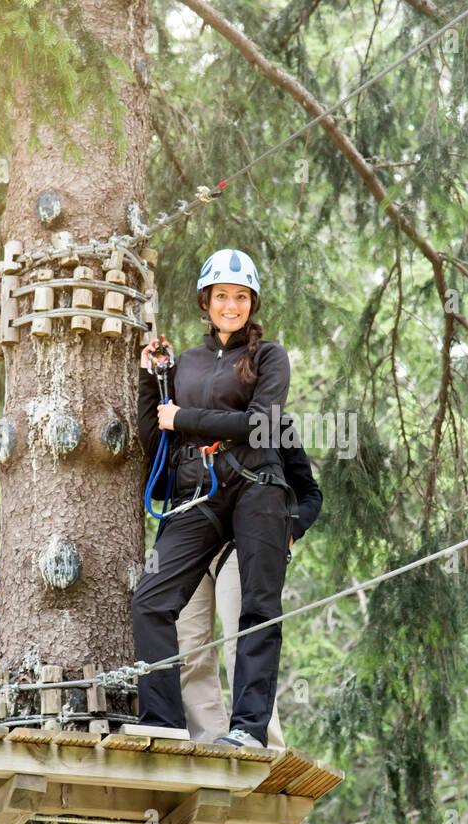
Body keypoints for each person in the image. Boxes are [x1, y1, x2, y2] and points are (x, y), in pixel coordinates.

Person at [132, 248, 294, 749]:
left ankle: (247, 730)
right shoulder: (186, 363)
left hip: (257, 487)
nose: (231, 305)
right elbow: (154, 438)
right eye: (222, 295)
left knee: (257, 609)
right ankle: (163, 723)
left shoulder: (268, 357)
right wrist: (149, 380)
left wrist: (185, 418)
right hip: (199, 491)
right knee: (150, 600)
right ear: (206, 301)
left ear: (252, 303)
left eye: (241, 297)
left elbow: (260, 423)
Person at [177, 415, 322, 748]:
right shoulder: (192, 419)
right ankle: (207, 743)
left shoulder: (273, 425)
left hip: (246, 547)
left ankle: (263, 744)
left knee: (242, 641)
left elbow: (310, 493)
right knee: (190, 649)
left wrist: (288, 533)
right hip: (193, 544)